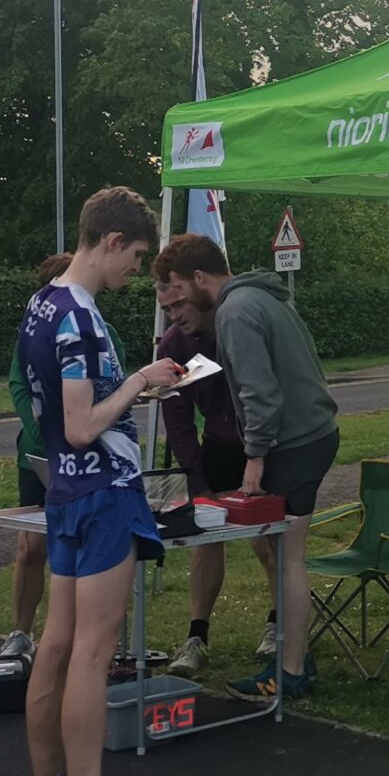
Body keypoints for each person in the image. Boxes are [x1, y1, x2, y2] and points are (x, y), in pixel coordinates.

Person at [17, 186, 184, 776]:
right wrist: (141, 381)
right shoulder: (80, 320)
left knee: (57, 645)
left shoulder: (40, 304)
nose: (133, 276)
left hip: (63, 495)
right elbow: (85, 424)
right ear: (112, 240)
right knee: (92, 652)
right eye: (135, 258)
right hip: (102, 493)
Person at [157, 234, 342, 705]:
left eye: (179, 288)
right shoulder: (262, 296)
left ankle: (290, 671)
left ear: (200, 278)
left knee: (288, 557)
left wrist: (255, 456)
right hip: (311, 434)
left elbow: (261, 393)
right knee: (285, 553)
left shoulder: (236, 312)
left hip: (294, 444)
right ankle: (293, 654)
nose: (176, 301)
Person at [149, 253, 273, 677]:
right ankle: (196, 636)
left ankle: (280, 624)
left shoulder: (235, 323)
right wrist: (196, 477)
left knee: (265, 537)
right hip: (218, 444)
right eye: (165, 310)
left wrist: (259, 454)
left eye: (178, 305)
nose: (174, 316)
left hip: (264, 442)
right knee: (205, 537)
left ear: (195, 294)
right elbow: (178, 420)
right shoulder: (174, 346)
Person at [0, 251, 72, 657]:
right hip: (37, 455)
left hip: (81, 457)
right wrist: (39, 428)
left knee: (74, 545)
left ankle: (68, 636)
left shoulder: (99, 330)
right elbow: (18, 385)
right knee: (31, 547)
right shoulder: (29, 336)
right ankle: (21, 632)